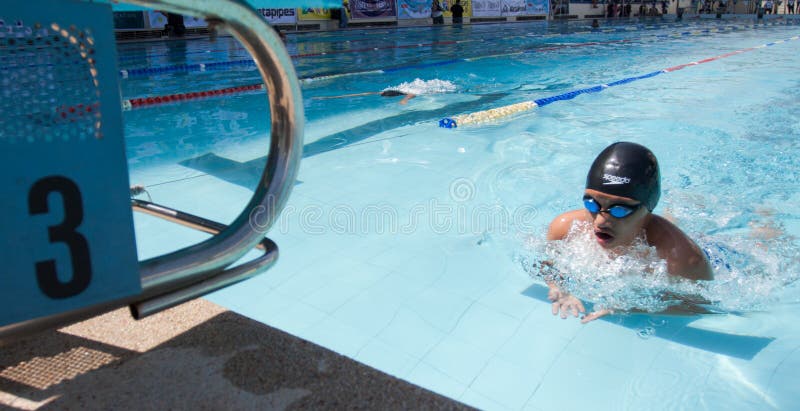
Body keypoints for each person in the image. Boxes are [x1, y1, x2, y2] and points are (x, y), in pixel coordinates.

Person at [544, 142, 713, 323]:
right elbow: (546, 265)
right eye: (591, 204)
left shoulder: (684, 259)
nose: (600, 221)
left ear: (648, 207)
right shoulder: (564, 228)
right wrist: (560, 288)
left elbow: (701, 306)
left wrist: (629, 306)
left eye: (619, 210)